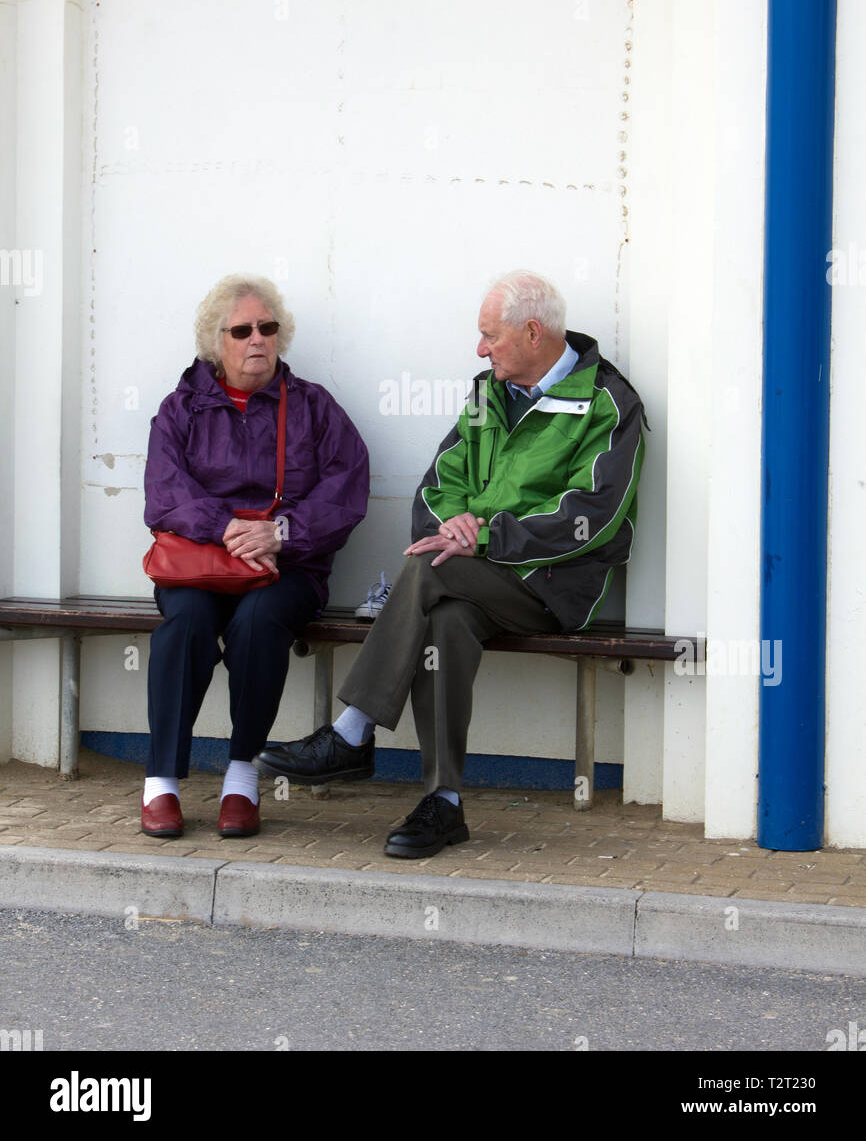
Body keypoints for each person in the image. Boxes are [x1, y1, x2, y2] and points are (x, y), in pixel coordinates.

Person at [255, 270, 645, 857]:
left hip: (552, 586)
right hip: (473, 576)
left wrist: (482, 536)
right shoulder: (489, 394)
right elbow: (441, 484)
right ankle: (445, 804)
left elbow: (593, 516)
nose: (480, 349)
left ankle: (351, 733)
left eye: (491, 336)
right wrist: (456, 527)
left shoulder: (608, 403)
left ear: (534, 332)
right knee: (444, 621)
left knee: (431, 570)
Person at [141, 274, 369, 839]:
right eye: (241, 330)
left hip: (286, 568)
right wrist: (228, 529)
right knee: (186, 623)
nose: (256, 340)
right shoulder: (182, 409)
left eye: (267, 328)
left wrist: (283, 532)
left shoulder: (314, 407)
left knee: (259, 623)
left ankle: (241, 778)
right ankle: (161, 782)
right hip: (200, 564)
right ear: (216, 342)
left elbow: (348, 487)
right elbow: (163, 493)